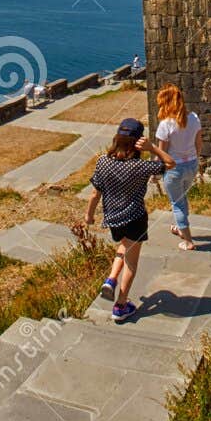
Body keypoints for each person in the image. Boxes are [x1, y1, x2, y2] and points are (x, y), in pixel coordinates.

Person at [84, 117, 174, 323]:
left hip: (113, 219)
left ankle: (111, 279)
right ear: (138, 141)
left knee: (123, 247)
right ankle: (121, 305)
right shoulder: (140, 167)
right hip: (135, 218)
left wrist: (89, 215)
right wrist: (153, 148)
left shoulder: (103, 162)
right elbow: (170, 163)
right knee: (132, 264)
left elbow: (95, 194)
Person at [154, 84, 202, 250]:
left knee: (177, 203)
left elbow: (162, 152)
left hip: (174, 168)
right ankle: (180, 227)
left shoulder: (165, 125)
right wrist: (196, 161)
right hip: (191, 164)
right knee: (182, 198)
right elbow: (199, 144)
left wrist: (154, 172)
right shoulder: (194, 118)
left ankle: (188, 241)